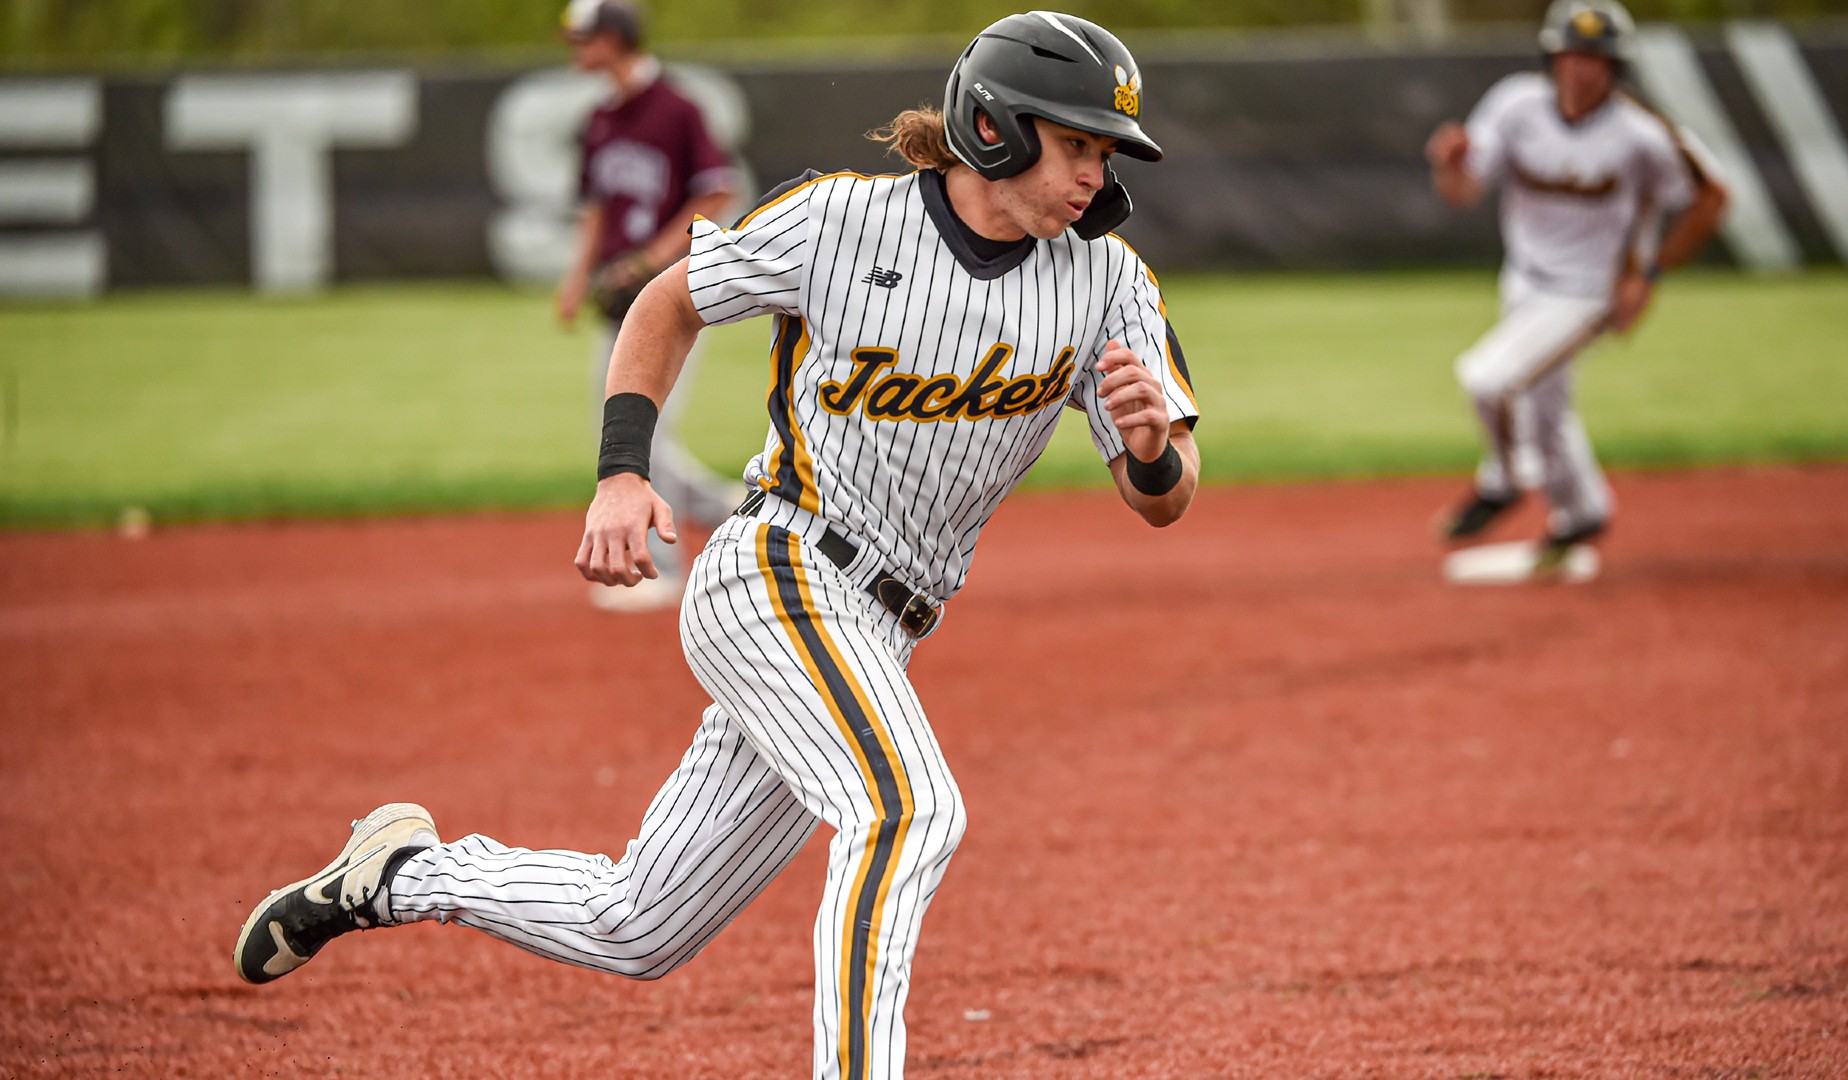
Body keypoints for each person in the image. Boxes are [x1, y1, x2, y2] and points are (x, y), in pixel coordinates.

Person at [232, 13, 1200, 1080]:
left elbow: (1163, 497)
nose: (1093, 173)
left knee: (638, 924)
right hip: (778, 571)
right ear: (993, 126)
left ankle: (399, 874)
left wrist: (1152, 450)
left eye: (1105, 151)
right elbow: (669, 302)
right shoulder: (842, 220)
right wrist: (622, 471)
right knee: (907, 812)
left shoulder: (1108, 281)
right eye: (1074, 143)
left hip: (881, 632)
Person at [1426, 0, 1727, 573]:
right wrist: (1452, 165)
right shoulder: (1516, 105)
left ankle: (1505, 480)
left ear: (1616, 67)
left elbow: (1713, 197)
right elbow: (1463, 192)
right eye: (1570, 54)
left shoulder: (1642, 133)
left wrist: (1649, 274)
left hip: (1590, 293)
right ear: (1552, 58)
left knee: (1487, 380)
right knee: (1545, 411)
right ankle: (1583, 512)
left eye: (1595, 57)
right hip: (1523, 280)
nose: (1581, 68)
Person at [553, 0, 744, 611]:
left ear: (615, 39)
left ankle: (662, 567)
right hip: (617, 300)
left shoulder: (676, 108)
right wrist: (576, 279)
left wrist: (650, 259)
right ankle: (737, 509)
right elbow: (595, 208)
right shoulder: (600, 118)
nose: (576, 49)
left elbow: (717, 190)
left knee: (645, 433)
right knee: (616, 430)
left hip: (673, 301)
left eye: (584, 39)